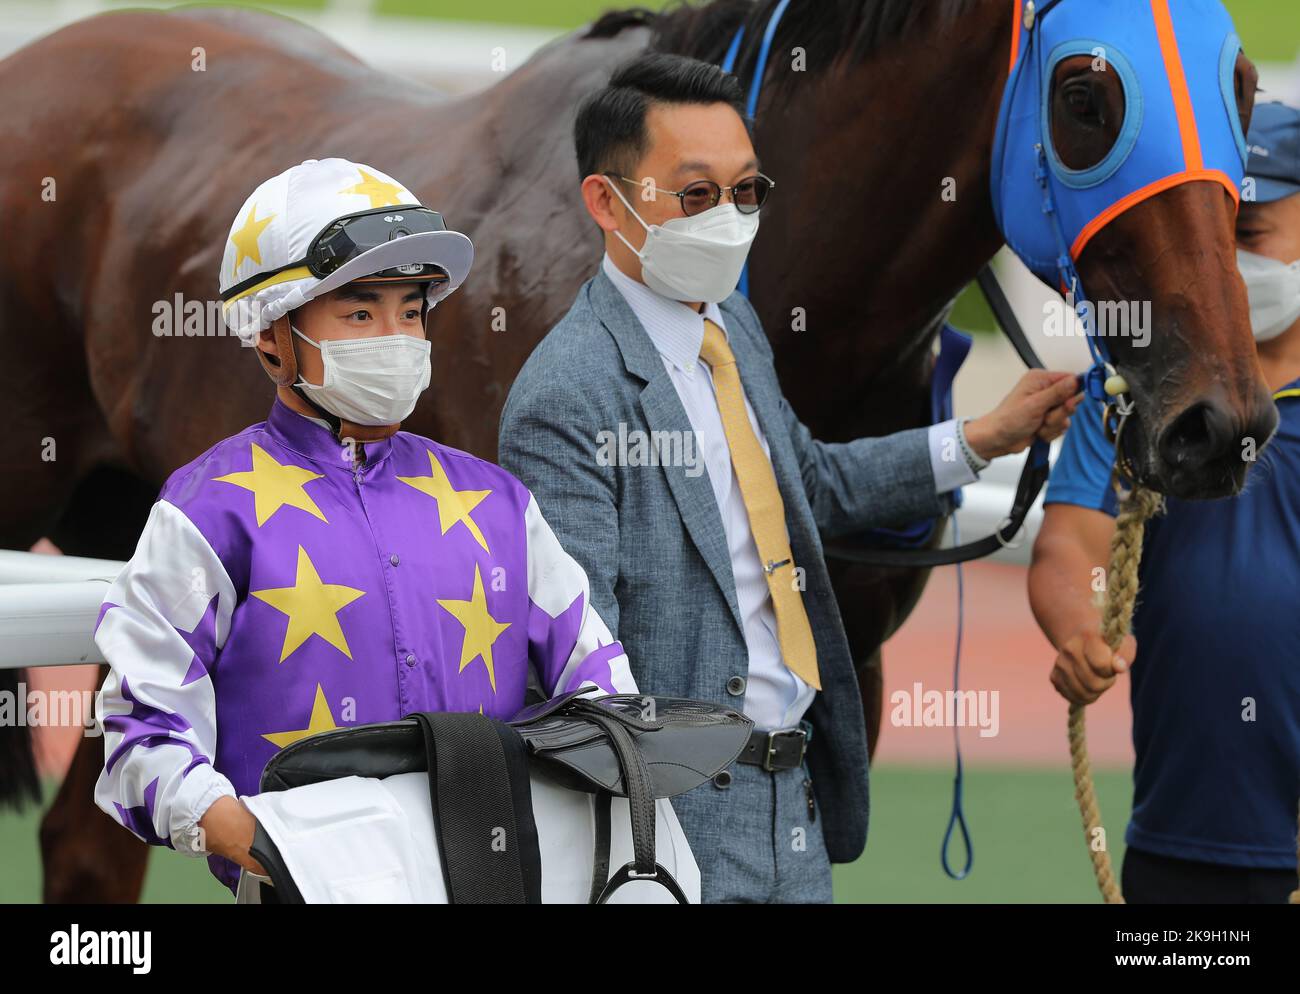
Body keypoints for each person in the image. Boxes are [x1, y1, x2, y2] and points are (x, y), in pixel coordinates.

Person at [499, 53, 1081, 903]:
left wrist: (981, 438)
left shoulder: (730, 319)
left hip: (795, 804)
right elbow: (582, 666)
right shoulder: (565, 396)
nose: (730, 219)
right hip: (670, 824)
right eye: (695, 195)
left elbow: (806, 483)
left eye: (747, 192)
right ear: (605, 203)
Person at [93, 158, 635, 894]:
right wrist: (277, 851)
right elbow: (141, 743)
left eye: (410, 312)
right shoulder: (204, 511)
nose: (397, 336)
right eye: (359, 313)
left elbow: (605, 696)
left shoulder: (501, 503)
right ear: (270, 338)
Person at [1028, 102, 1300, 904]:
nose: (1226, 263)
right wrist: (1081, 628)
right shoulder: (1131, 389)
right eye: (1212, 237)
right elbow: (1071, 546)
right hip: (1177, 847)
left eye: (1250, 238)